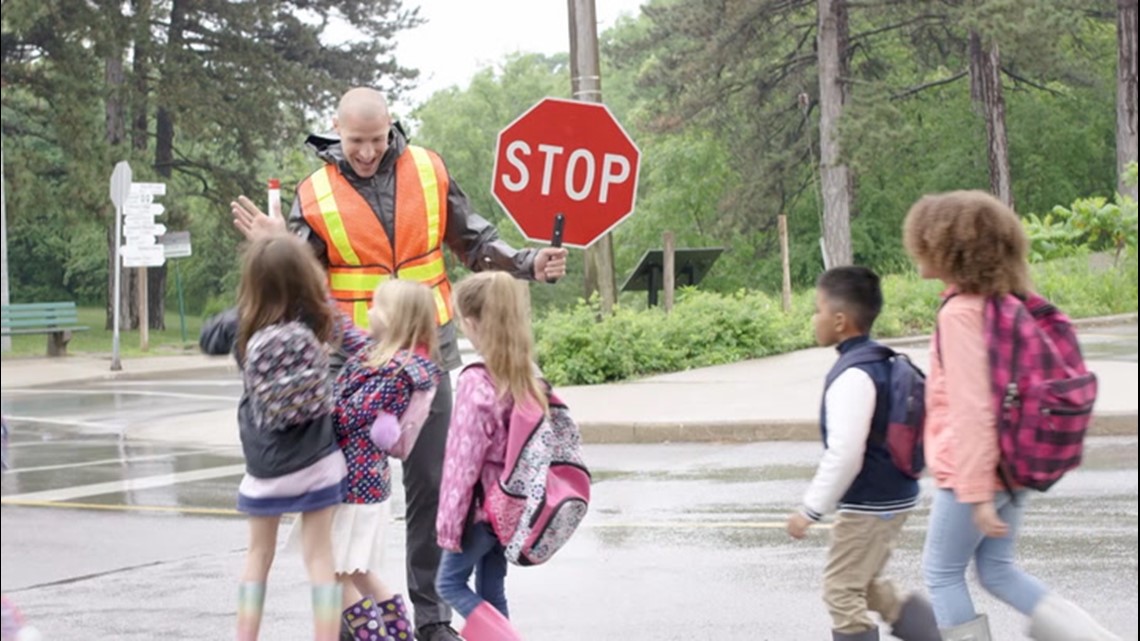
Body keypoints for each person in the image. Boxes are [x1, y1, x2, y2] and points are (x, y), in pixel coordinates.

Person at [231, 86, 567, 641]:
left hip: (425, 345)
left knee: (433, 485)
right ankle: (346, 623)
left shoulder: (429, 170)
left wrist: (528, 261)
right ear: (337, 132)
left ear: (392, 127)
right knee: (343, 496)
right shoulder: (314, 191)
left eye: (376, 139)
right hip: (349, 359)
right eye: (356, 141)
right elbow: (298, 277)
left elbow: (475, 239)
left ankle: (431, 621)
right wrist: (276, 246)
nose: (366, 151)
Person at [903, 191, 1120, 641]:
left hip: (975, 474)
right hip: (1016, 465)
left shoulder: (961, 314)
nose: (915, 249)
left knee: (941, 573)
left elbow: (972, 410)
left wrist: (978, 493)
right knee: (998, 570)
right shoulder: (1007, 303)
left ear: (948, 248)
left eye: (923, 239)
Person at [785, 266, 939, 641]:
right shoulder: (878, 360)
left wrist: (809, 510)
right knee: (865, 584)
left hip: (870, 504)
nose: (813, 318)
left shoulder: (853, 375)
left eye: (817, 309)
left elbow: (845, 454)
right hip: (892, 496)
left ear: (840, 321)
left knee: (841, 591)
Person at [286, 279, 443, 640]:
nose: (369, 311)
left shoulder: (396, 374)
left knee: (332, 571)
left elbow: (348, 415)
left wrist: (307, 401)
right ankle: (400, 636)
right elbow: (341, 327)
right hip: (360, 481)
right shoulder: (380, 354)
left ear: (396, 320)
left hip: (352, 485)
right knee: (357, 572)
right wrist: (311, 287)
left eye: (377, 306)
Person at [228, 233, 351, 641]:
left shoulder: (245, 331)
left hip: (265, 466)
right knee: (320, 558)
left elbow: (209, 338)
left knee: (257, 556)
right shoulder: (318, 321)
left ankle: (245, 636)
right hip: (317, 462)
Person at [434, 272, 543, 640]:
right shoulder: (527, 375)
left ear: (474, 323)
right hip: (512, 507)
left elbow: (462, 464)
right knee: (492, 591)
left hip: (480, 509)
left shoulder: (475, 382)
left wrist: (449, 525)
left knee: (448, 584)